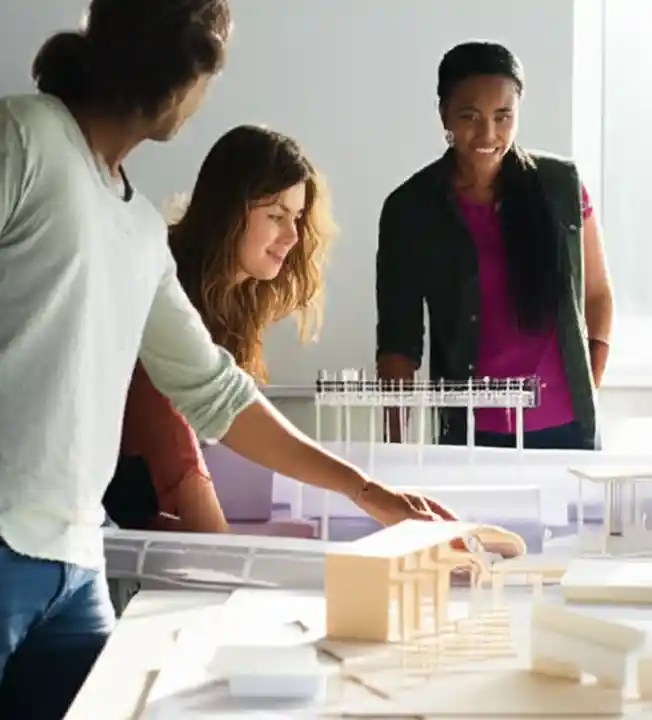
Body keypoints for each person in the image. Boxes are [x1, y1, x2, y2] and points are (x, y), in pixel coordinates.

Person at [0, 3, 451, 718]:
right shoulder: (19, 135)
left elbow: (215, 391)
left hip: (76, 560)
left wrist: (365, 490)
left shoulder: (137, 227)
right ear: (179, 72)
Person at [104, 125, 452, 532]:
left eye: (297, 217)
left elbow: (224, 420)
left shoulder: (233, 300)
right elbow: (183, 449)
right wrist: (364, 493)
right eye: (275, 216)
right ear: (228, 212)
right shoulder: (163, 292)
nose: (291, 236)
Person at [375, 40, 613, 450]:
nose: (488, 134)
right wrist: (393, 449)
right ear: (444, 114)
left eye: (503, 117)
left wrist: (589, 384)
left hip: (567, 428)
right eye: (470, 116)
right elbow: (399, 341)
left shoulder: (561, 186)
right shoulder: (410, 208)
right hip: (469, 429)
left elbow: (596, 294)